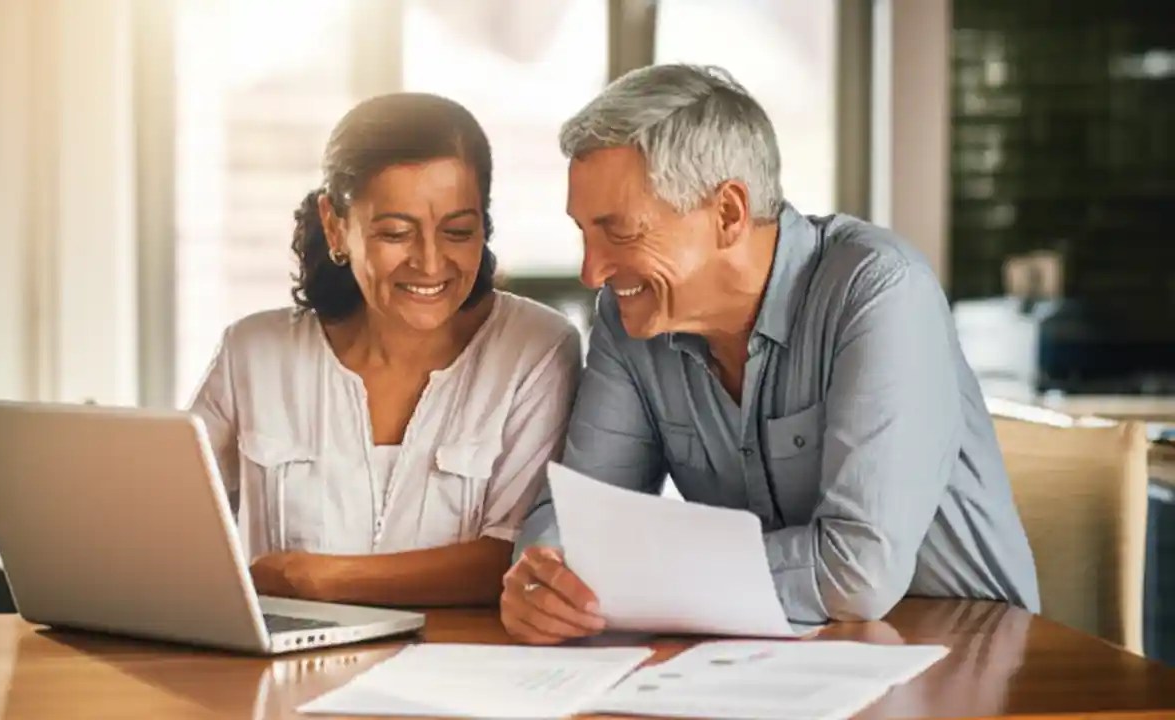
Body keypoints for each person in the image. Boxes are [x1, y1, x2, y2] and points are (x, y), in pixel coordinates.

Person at [500, 64, 1040, 643]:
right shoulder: (630, 318)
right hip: (767, 662)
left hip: (961, 655)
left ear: (728, 212)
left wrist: (637, 574)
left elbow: (858, 570)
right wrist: (543, 579)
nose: (592, 271)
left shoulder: (880, 289)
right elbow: (579, 518)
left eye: (621, 232)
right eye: (583, 232)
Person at [190, 93, 580, 607]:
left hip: (461, 664)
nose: (430, 261)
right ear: (336, 226)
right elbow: (173, 526)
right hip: (283, 674)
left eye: (459, 231)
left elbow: (512, 557)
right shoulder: (252, 352)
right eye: (396, 232)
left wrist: (315, 578)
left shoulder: (538, 350)